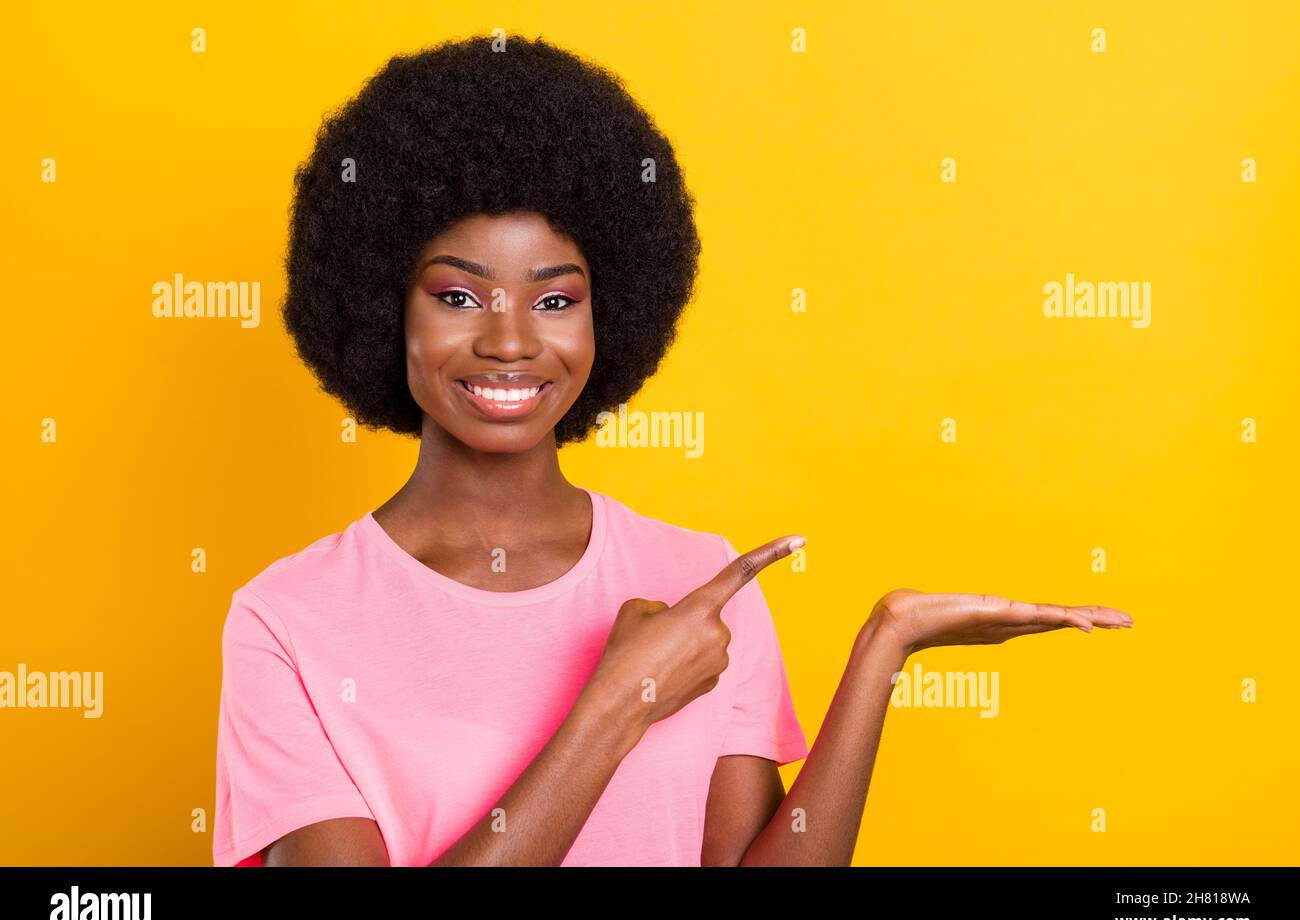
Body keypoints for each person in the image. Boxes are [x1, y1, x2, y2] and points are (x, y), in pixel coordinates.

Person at [212, 34, 1132, 867]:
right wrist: (621, 702)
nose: (509, 341)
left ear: (611, 316)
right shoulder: (289, 622)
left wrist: (882, 649)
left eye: (556, 298)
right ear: (383, 308)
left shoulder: (699, 578)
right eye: (458, 297)